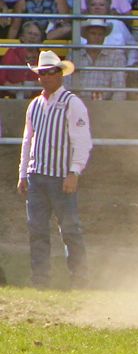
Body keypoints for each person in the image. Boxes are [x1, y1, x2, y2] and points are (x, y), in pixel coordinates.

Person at [17, 51, 92, 288]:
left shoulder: (72, 103)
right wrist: (23, 173)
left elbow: (82, 141)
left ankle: (79, 278)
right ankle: (41, 279)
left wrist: (74, 172)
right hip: (37, 175)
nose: (47, 77)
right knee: (37, 229)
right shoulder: (35, 106)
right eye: (43, 73)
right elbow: (28, 140)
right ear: (38, 77)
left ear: (60, 74)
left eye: (51, 72)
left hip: (61, 176)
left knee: (70, 229)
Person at [67, 19, 126, 101]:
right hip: (77, 103)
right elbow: (66, 84)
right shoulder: (74, 55)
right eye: (93, 34)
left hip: (105, 104)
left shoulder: (115, 56)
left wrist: (113, 109)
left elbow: (119, 88)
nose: (97, 37)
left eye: (100, 34)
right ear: (86, 35)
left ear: (104, 36)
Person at [0, 21, 43, 99]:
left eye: (36, 35)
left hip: (37, 100)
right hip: (10, 98)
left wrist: (35, 85)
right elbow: (1, 78)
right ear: (22, 37)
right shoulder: (12, 53)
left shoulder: (43, 58)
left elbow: (48, 81)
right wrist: (14, 88)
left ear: (40, 40)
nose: (32, 37)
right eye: (30, 33)